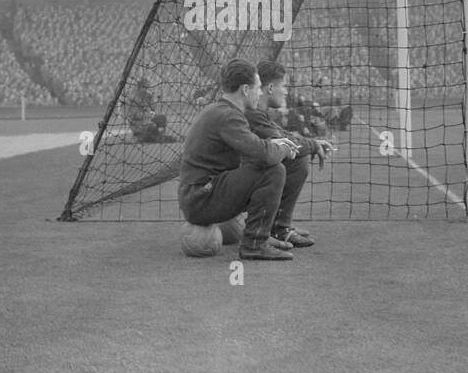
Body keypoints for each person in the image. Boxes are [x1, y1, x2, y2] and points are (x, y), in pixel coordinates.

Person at [177, 59, 303, 261]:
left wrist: (274, 145)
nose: (260, 93)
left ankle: (262, 234)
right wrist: (283, 146)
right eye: (258, 87)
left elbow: (257, 151)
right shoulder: (228, 116)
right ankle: (254, 244)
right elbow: (266, 154)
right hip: (200, 200)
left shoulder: (222, 111)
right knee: (273, 170)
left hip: (199, 195)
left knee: (266, 166)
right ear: (245, 89)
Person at [244, 60, 337, 248]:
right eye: (283, 86)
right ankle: (276, 228)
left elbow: (284, 136)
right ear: (270, 88)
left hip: (241, 179)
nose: (286, 91)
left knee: (295, 156)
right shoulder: (253, 114)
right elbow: (287, 144)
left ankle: (277, 226)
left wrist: (313, 143)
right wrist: (312, 145)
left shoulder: (259, 113)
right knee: (295, 159)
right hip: (233, 187)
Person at [125, 77, 178, 143]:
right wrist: (149, 115)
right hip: (138, 126)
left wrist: (153, 99)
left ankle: (160, 136)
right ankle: (139, 137)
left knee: (162, 118)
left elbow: (153, 108)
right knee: (152, 126)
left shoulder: (146, 95)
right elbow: (135, 115)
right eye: (145, 87)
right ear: (140, 87)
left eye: (147, 88)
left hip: (146, 121)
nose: (146, 90)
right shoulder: (133, 98)